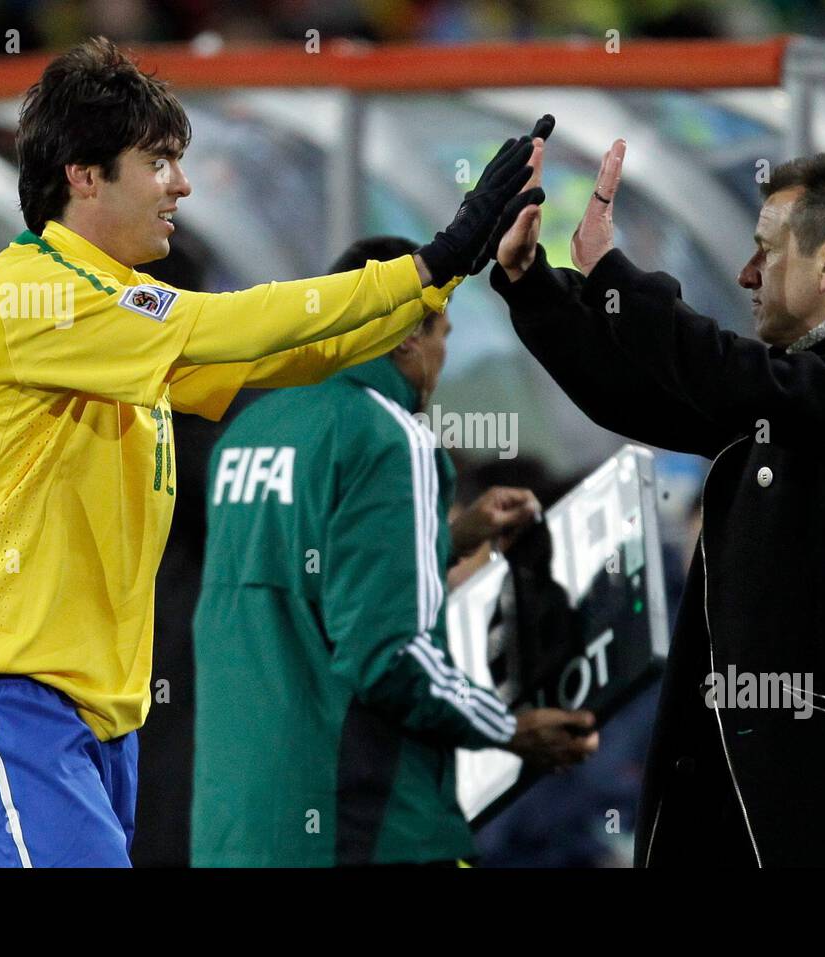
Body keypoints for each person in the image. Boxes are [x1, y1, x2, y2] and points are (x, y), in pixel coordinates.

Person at [0, 35, 548, 868]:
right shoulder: (22, 296)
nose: (183, 184)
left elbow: (280, 355)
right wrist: (423, 261)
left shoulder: (120, 326)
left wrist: (438, 279)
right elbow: (231, 324)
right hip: (6, 701)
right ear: (85, 176)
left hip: (96, 723)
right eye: (159, 161)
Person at [490, 143, 825, 866]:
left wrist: (615, 273)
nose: (746, 274)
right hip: (766, 815)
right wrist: (532, 285)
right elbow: (644, 389)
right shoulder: (789, 391)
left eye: (765, 253)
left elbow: (745, 382)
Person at [191, 235, 599, 867]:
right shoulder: (386, 435)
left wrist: (447, 541)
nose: (443, 355)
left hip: (240, 827)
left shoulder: (250, 433)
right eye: (442, 333)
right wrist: (507, 729)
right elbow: (386, 650)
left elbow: (312, 599)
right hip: (358, 822)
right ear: (408, 335)